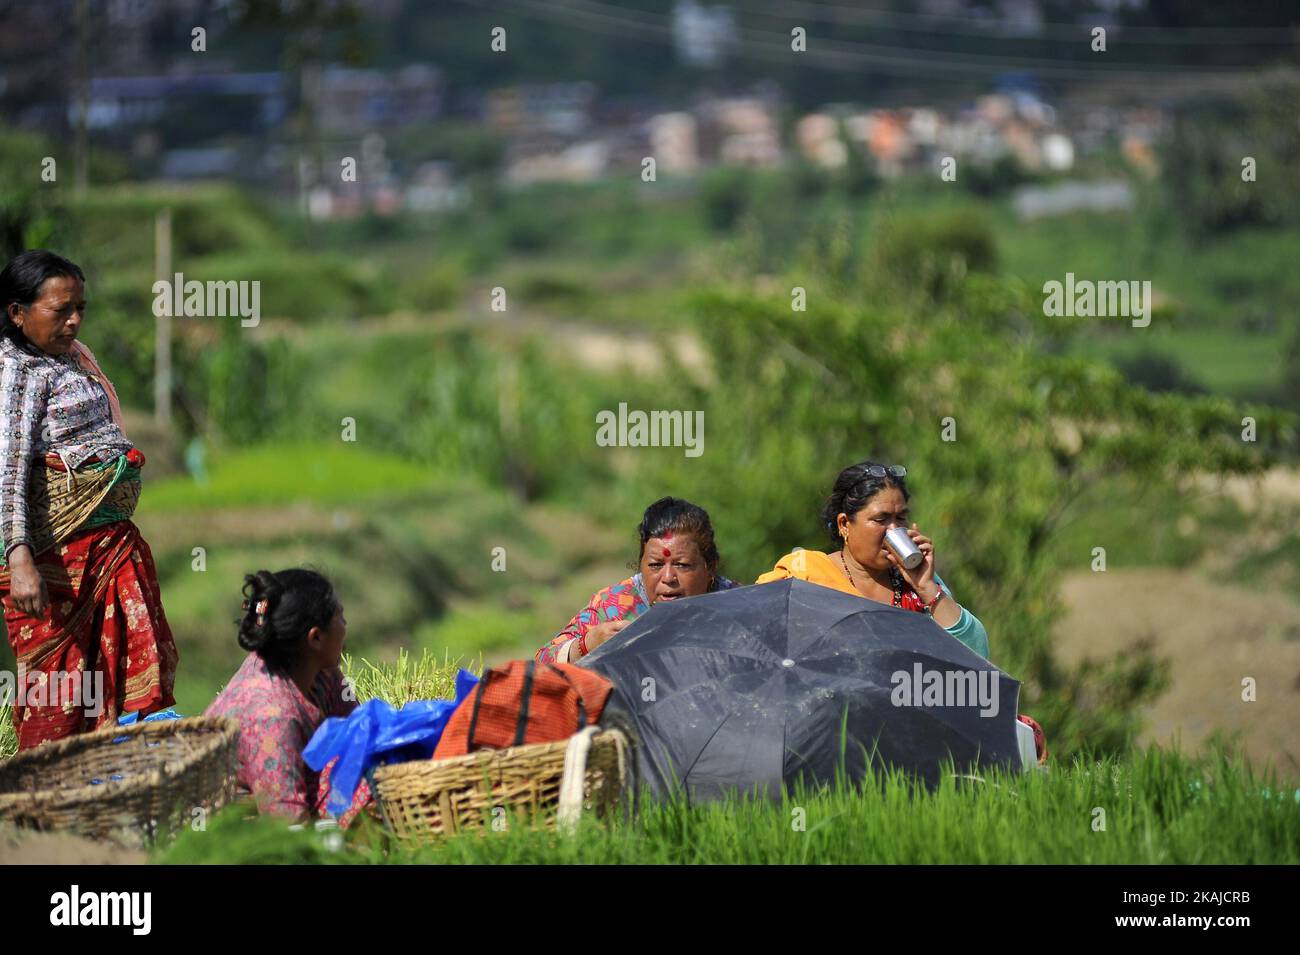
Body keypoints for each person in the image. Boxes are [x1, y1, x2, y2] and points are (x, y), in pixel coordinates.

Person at [0, 250, 178, 749]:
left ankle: (117, 784)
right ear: (18, 313)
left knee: (124, 679)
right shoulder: (15, 373)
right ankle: (43, 801)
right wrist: (20, 560)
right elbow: (8, 470)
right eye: (61, 311)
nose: (75, 320)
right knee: (58, 691)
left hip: (109, 547)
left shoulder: (73, 357)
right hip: (62, 562)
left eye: (80, 308)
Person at [758, 461, 1047, 762]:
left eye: (901, 519)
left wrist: (926, 586)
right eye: (880, 519)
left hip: (910, 724)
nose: (893, 531)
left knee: (1023, 732)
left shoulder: (916, 586)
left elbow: (975, 656)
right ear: (845, 524)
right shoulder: (805, 575)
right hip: (825, 728)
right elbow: (761, 643)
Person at [206, 568, 371, 822]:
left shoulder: (318, 671)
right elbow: (288, 822)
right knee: (363, 786)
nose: (346, 626)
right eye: (340, 617)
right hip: (238, 833)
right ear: (315, 638)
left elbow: (359, 732)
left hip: (288, 797)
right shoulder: (272, 717)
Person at [537, 496, 737, 664]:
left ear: (710, 566)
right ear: (640, 565)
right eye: (656, 565)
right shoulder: (614, 605)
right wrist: (586, 645)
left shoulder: (736, 604)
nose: (668, 578)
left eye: (682, 565)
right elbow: (541, 663)